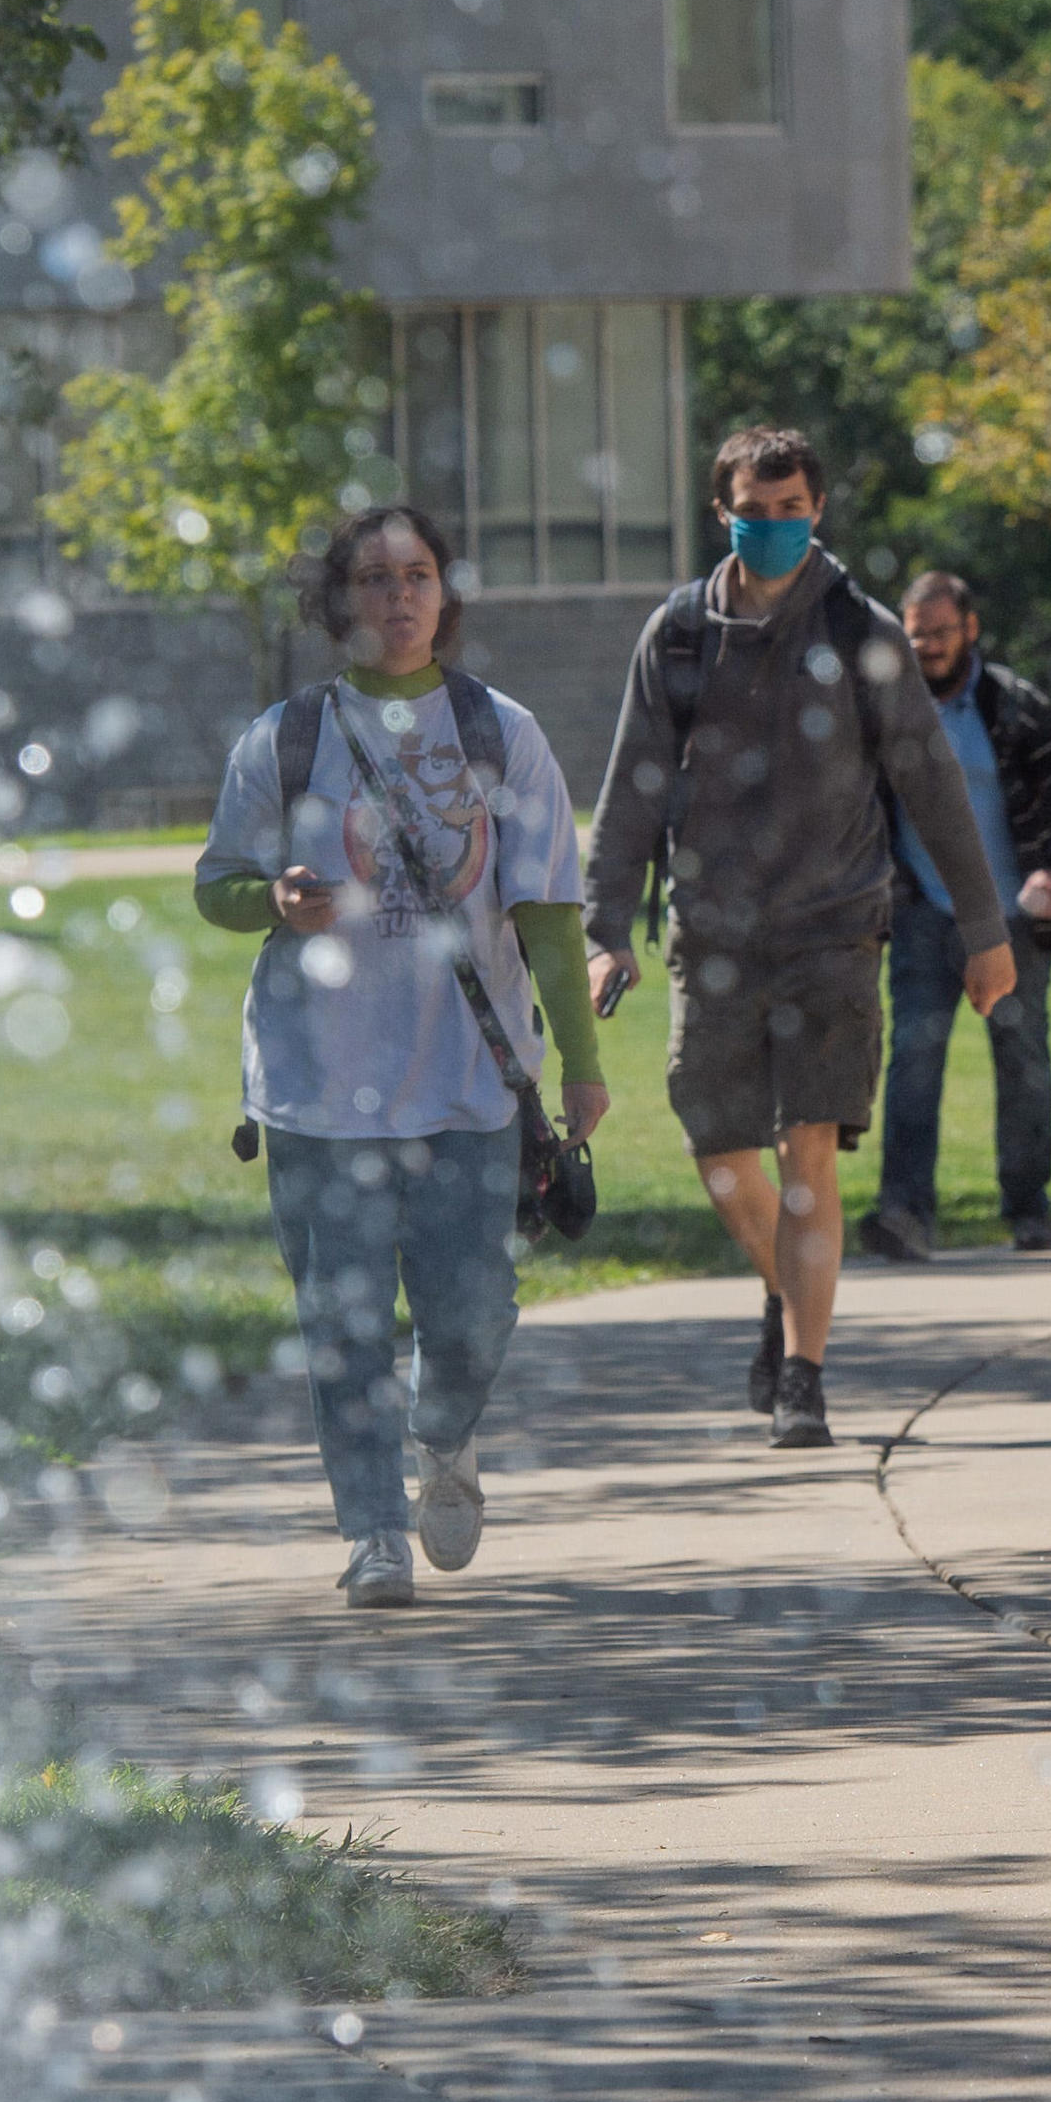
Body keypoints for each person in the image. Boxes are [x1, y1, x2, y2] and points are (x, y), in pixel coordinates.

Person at [194, 505, 608, 1609]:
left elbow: (552, 911)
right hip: (318, 1089)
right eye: (373, 579)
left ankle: (445, 1432)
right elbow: (218, 882)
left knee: (473, 1317)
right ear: (340, 604)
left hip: (466, 1085)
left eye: (416, 574)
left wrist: (579, 1063)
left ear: (444, 594)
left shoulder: (498, 732)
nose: (398, 595)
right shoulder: (284, 737)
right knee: (342, 1325)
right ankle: (373, 1530)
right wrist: (271, 899)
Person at [584, 429, 1015, 1452]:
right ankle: (786, 1295)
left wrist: (984, 931)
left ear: (817, 510)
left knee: (804, 1148)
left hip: (832, 929)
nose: (770, 526)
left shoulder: (864, 633)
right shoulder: (679, 636)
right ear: (720, 510)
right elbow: (631, 786)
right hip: (710, 934)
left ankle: (805, 1381)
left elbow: (933, 788)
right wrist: (606, 930)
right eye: (752, 509)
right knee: (722, 1153)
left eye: (789, 509)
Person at [855, 572, 1051, 1263]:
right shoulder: (885, 712)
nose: (926, 645)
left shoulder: (1013, 706)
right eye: (914, 632)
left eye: (939, 630)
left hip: (1016, 917)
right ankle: (905, 1214)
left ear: (970, 628)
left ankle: (1027, 1206)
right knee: (913, 1062)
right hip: (923, 918)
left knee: (1023, 1063)